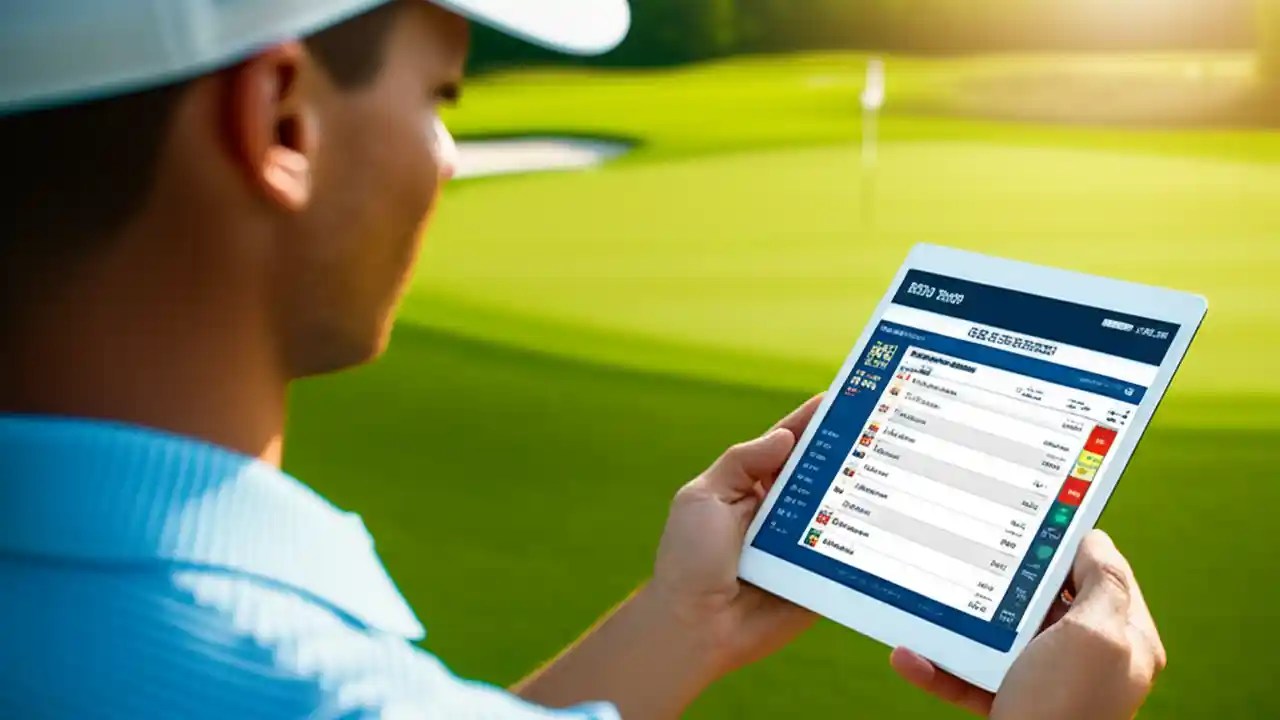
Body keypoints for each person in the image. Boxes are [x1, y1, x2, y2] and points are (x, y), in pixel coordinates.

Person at [0, 2, 1166, 718]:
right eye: (439, 93)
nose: (447, 157)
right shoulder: (316, 691)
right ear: (282, 124)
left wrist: (685, 619)